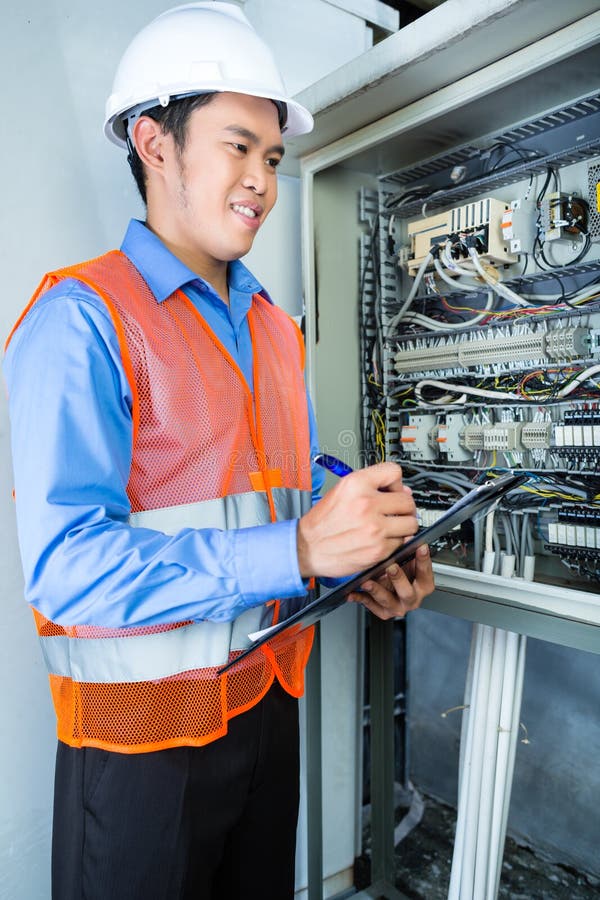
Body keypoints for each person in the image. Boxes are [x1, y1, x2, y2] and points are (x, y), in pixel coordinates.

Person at [3, 3, 434, 898]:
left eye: (272, 158)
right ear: (156, 144)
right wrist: (300, 550)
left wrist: (368, 545)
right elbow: (68, 566)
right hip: (140, 753)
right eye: (239, 147)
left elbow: (290, 477)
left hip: (267, 713)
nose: (262, 182)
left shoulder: (275, 329)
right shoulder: (82, 320)